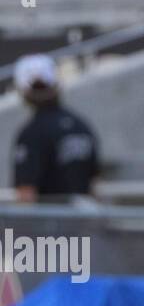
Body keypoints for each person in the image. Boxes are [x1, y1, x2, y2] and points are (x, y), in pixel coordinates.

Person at [11, 54, 101, 204]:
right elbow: (94, 185)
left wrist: (9, 228)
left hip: (50, 223)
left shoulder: (31, 133)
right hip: (83, 220)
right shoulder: (81, 125)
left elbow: (25, 194)